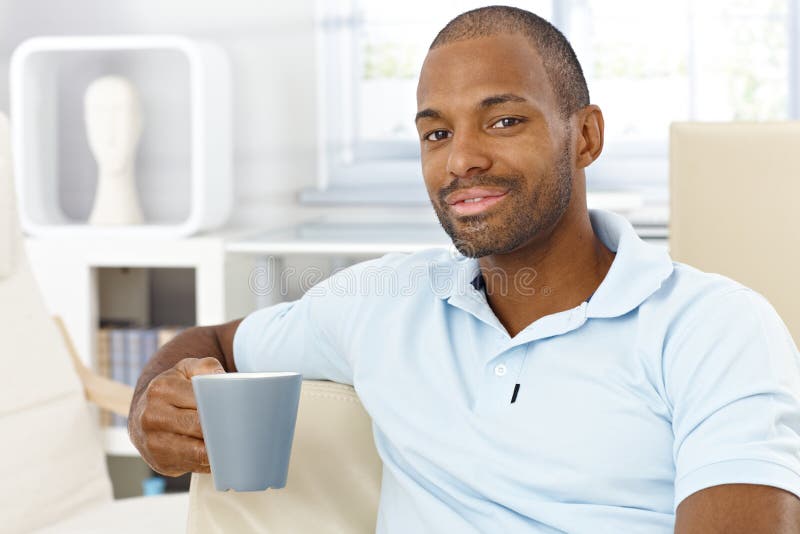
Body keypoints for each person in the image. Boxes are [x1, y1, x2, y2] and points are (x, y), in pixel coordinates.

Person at [129, 6, 800, 532]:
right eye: (436, 134)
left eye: (503, 120)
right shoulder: (383, 301)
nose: (460, 162)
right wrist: (150, 407)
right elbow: (216, 343)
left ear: (586, 135)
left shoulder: (715, 327)